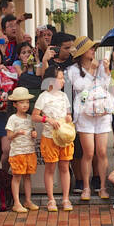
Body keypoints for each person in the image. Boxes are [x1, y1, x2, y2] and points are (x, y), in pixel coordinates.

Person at [68, 42, 113, 202]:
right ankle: (86, 187)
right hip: (84, 114)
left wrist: (106, 70)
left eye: (94, 48)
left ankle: (102, 186)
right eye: (91, 48)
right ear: (82, 52)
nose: (94, 51)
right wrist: (93, 70)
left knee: (101, 152)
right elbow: (80, 87)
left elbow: (106, 86)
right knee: (88, 153)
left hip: (102, 113)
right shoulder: (72, 70)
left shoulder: (101, 65)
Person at [34, 71, 74, 211]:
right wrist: (48, 120)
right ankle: (51, 199)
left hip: (64, 136)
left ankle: (65, 198)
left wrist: (68, 118)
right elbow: (35, 116)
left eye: (63, 78)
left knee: (64, 166)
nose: (63, 81)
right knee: (50, 168)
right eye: (60, 78)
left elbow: (68, 114)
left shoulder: (64, 96)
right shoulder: (43, 97)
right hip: (50, 136)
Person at [5, 86, 39, 214]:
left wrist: (34, 134)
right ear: (15, 104)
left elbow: (33, 131)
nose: (25, 105)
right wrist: (16, 133)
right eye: (21, 102)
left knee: (28, 176)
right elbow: (8, 136)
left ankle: (28, 200)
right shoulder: (12, 118)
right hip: (18, 152)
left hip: (29, 150)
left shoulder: (30, 117)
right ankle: (17, 202)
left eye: (26, 102)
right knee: (17, 177)